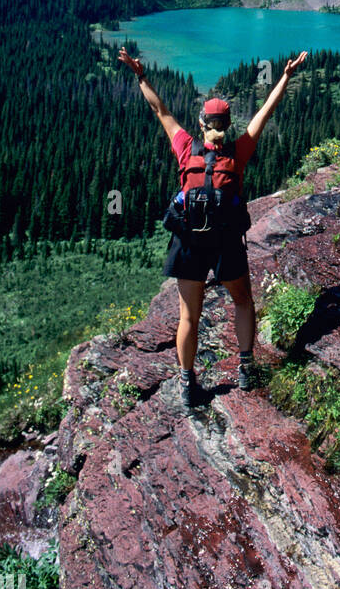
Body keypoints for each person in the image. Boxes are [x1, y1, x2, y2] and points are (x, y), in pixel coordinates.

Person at [118, 46, 308, 412]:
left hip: (188, 244)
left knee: (189, 316)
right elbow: (265, 113)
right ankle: (245, 368)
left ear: (203, 123)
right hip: (225, 245)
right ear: (228, 125)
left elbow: (160, 110)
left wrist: (140, 75)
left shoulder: (186, 147)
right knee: (243, 301)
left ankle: (188, 382)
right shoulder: (237, 153)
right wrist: (285, 75)